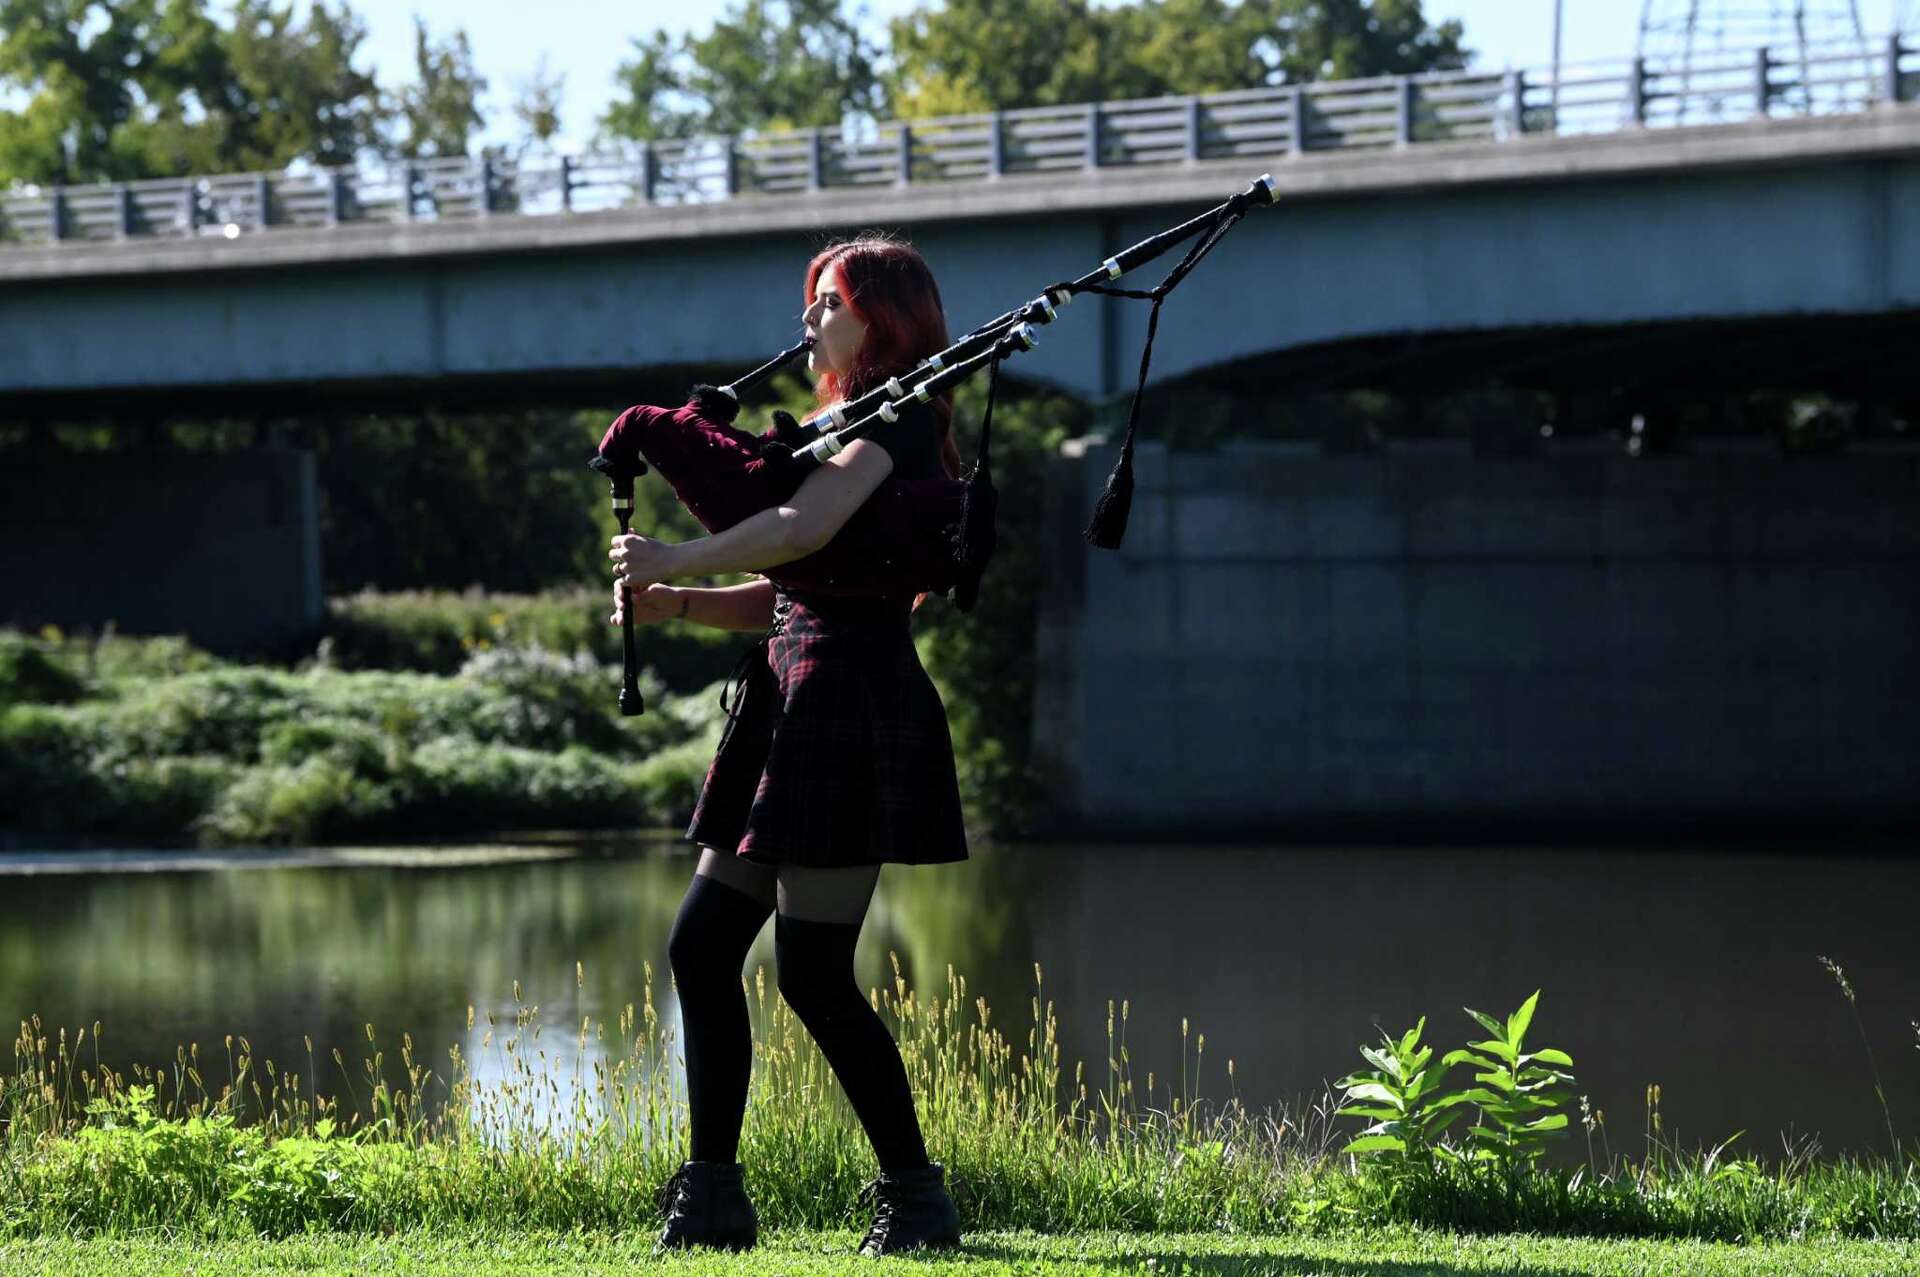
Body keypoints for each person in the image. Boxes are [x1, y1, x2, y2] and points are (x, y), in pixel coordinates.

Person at [608, 234, 967, 1259]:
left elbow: (799, 528)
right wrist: (679, 599)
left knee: (812, 970)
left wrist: (677, 547)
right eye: (812, 301)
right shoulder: (843, 424)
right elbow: (793, 588)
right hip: (791, 689)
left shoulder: (893, 427)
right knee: (703, 944)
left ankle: (916, 1197)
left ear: (880, 316)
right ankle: (713, 1193)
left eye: (828, 303)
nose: (810, 320)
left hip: (848, 700)